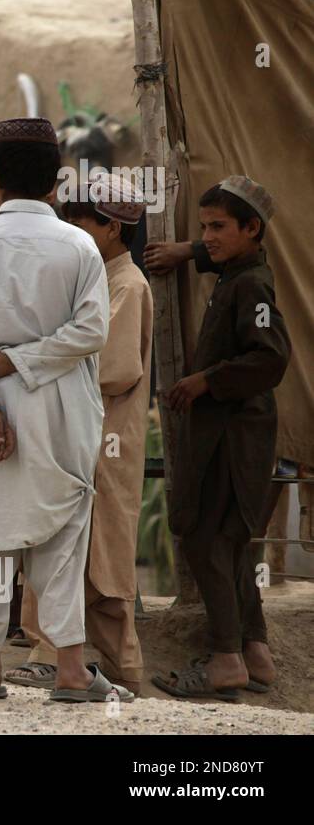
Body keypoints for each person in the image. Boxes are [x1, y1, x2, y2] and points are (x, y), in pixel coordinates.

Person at [0, 117, 131, 702]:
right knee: (61, 539)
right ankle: (71, 669)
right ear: (56, 180)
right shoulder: (80, 248)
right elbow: (92, 331)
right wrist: (27, 362)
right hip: (61, 416)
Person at [12, 170, 152, 695]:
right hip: (83, 436)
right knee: (76, 545)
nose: (70, 228)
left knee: (95, 555)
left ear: (113, 228)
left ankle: (64, 657)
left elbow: (113, 368)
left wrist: (40, 359)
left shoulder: (126, 284)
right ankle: (113, 669)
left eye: (81, 220)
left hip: (104, 440)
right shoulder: (98, 278)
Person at [151, 176, 289, 700]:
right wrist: (189, 249)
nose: (206, 236)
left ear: (252, 229)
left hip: (233, 437)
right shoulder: (237, 271)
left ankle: (225, 659)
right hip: (230, 434)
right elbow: (215, 252)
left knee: (207, 540)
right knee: (231, 546)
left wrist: (206, 380)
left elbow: (269, 357)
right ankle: (255, 654)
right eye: (203, 225)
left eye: (218, 227)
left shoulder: (252, 285)